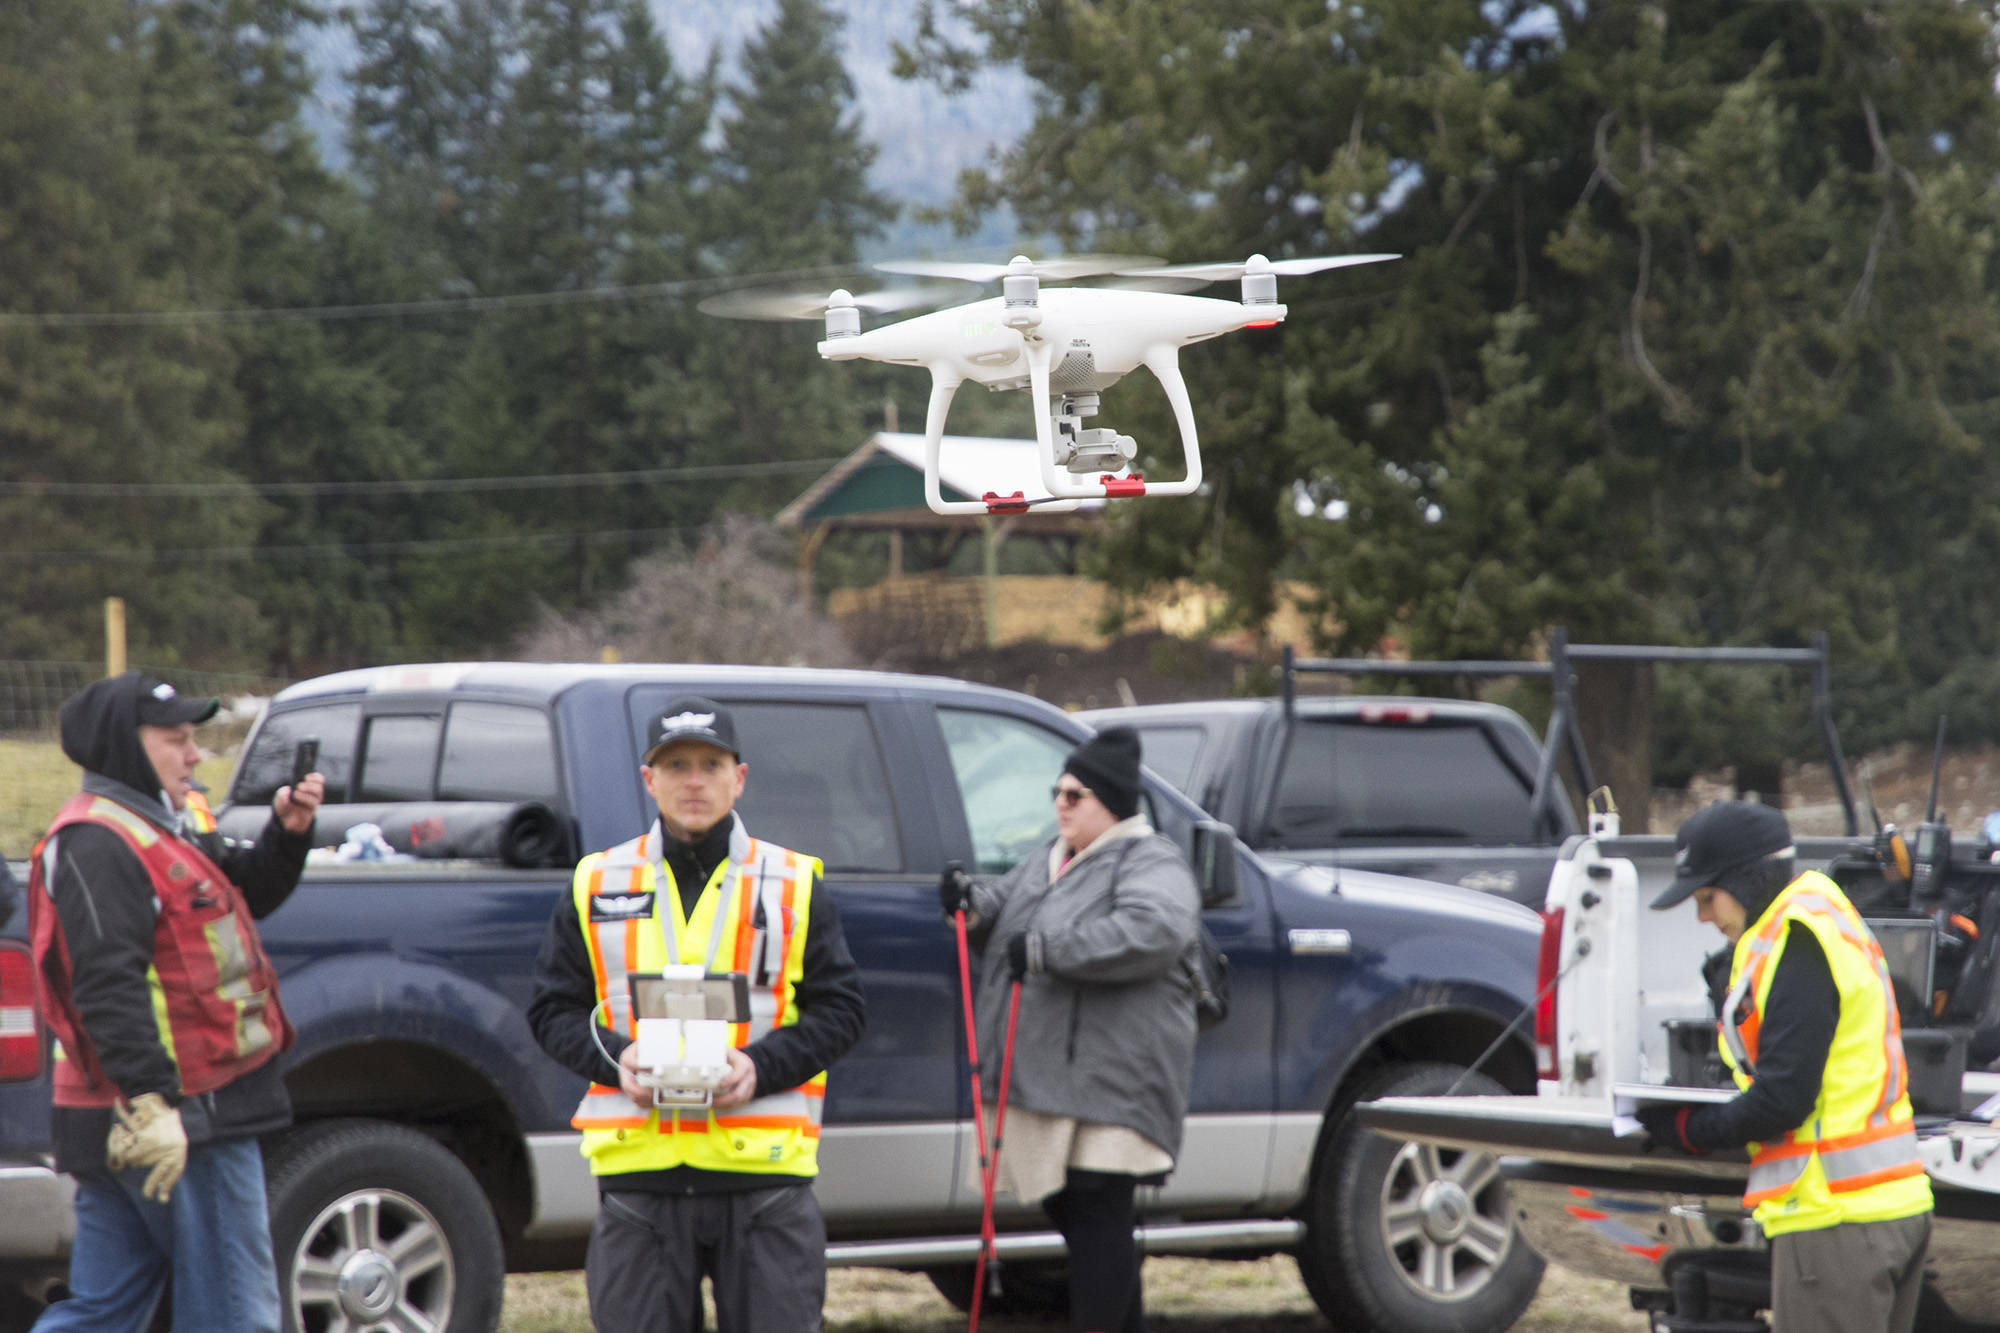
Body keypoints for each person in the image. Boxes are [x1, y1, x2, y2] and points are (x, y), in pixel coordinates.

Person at [526, 696, 866, 1333]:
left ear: (739, 778)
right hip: (641, 1180)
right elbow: (551, 1010)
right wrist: (616, 1055)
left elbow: (842, 1010)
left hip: (761, 1178)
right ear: (648, 779)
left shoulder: (792, 880)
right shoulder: (597, 880)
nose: (693, 780)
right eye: (675, 763)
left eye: (710, 764)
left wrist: (760, 1067)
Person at [27, 671, 322, 1332]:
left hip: (140, 1115)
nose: (194, 754)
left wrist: (287, 832)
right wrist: (158, 1103)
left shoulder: (158, 824)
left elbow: (242, 891)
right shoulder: (102, 842)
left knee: (102, 1311)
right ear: (127, 748)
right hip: (180, 1118)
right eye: (176, 739)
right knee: (236, 1311)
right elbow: (106, 982)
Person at [938, 725, 1200, 1333]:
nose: (1060, 802)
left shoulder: (1149, 859)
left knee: (1096, 1209)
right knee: (1081, 1209)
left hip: (1116, 1081)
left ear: (1111, 802)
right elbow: (1002, 910)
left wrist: (1050, 950)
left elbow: (1154, 931)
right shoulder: (1050, 858)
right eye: (1057, 790)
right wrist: (967, 903)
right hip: (1055, 1077)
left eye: (1075, 794)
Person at [1638, 800, 1933, 1333]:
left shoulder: (1799, 940)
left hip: (1836, 1221)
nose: (1704, 916)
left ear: (1751, 880)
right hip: (1883, 1207)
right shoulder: (1817, 922)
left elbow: (1784, 1099)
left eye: (1708, 898)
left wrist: (1688, 1129)